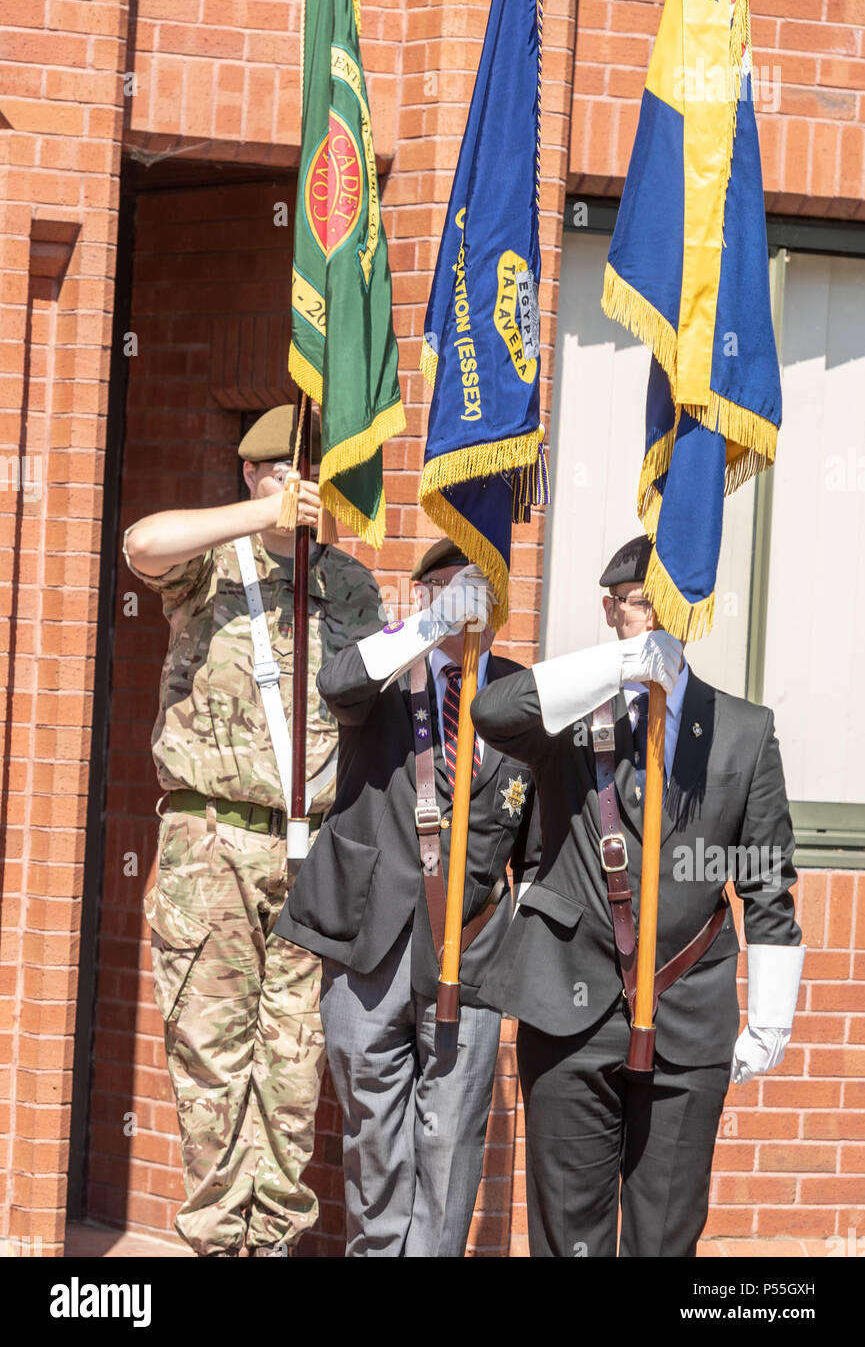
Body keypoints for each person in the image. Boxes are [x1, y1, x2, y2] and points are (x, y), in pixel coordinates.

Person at [471, 534, 805, 1258]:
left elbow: (765, 880)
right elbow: (491, 713)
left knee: (664, 1236)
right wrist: (616, 666)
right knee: (570, 1234)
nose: (651, 620)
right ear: (609, 611)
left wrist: (771, 1018)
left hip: (687, 1013)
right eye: (634, 606)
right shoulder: (566, 713)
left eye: (666, 607)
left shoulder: (742, 732)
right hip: (569, 1007)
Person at [124, 404, 383, 1258]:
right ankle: (215, 1243)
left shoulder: (345, 584)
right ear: (252, 473)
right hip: (213, 845)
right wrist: (260, 518)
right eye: (283, 476)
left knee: (291, 1064)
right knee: (211, 1059)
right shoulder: (214, 564)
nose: (299, 493)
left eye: (311, 480)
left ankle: (271, 1243)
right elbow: (142, 544)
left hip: (308, 847)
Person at [276, 539, 541, 1257]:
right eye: (445, 586)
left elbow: (539, 847)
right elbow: (335, 684)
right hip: (373, 939)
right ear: (420, 593)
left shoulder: (523, 697)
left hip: (473, 942)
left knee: (453, 1134)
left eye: (475, 587)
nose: (461, 600)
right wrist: (424, 630)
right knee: (371, 1121)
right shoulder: (386, 677)